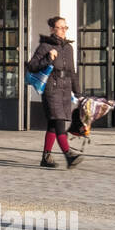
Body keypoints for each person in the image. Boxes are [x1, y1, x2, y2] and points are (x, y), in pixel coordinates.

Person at [26, 15, 83, 168]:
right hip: (51, 88)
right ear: (52, 29)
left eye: (65, 27)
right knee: (58, 121)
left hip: (65, 89)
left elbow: (72, 72)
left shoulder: (68, 48)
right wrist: (48, 59)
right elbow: (32, 66)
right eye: (60, 27)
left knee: (53, 123)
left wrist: (78, 94)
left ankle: (46, 157)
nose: (64, 30)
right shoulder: (45, 46)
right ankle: (68, 154)